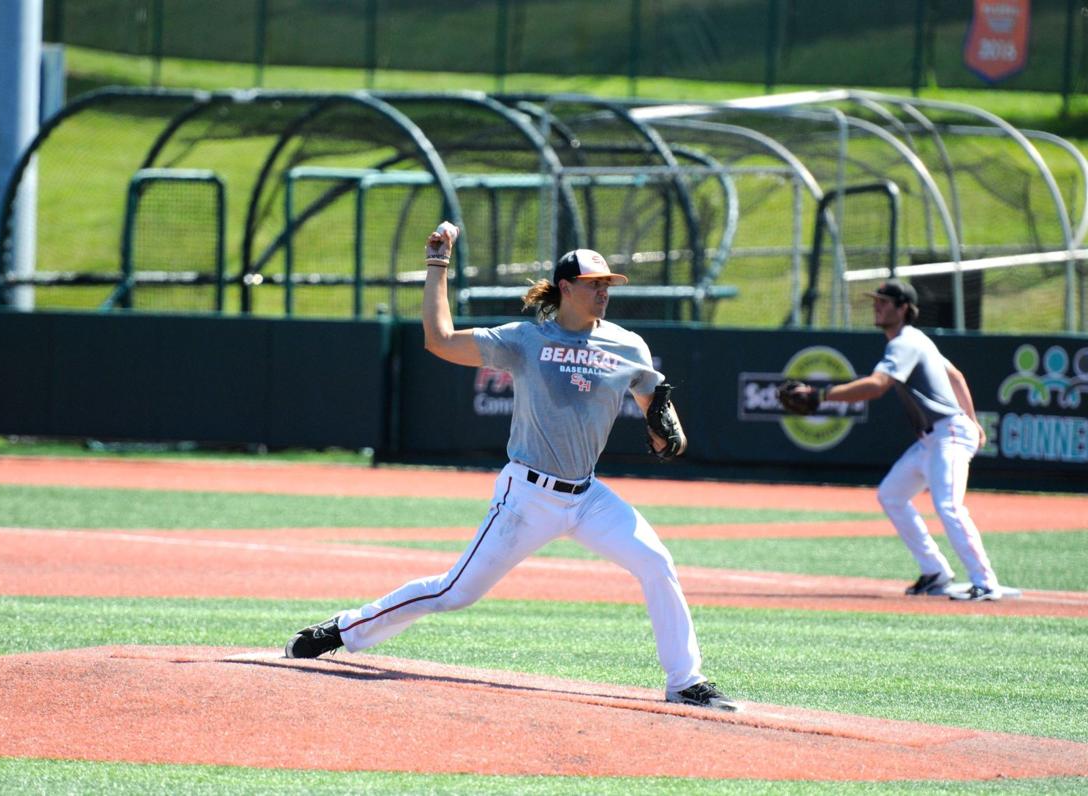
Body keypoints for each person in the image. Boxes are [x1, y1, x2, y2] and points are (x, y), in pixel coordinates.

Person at [285, 222, 740, 711]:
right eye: (594, 284)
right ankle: (345, 629)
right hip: (527, 496)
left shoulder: (629, 345)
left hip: (587, 497)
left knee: (656, 563)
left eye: (608, 284)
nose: (604, 291)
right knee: (454, 592)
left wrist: (670, 433)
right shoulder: (524, 339)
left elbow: (658, 407)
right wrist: (438, 266)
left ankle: (685, 681)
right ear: (565, 288)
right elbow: (439, 340)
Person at [780, 279, 1001, 601]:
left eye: (884, 302)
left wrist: (821, 396)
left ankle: (985, 581)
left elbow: (877, 385)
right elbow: (956, 377)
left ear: (904, 309)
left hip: (948, 433)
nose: (877, 305)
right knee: (891, 495)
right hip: (933, 439)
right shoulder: (916, 340)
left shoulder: (904, 343)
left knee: (948, 506)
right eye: (876, 300)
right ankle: (935, 571)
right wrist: (975, 422)